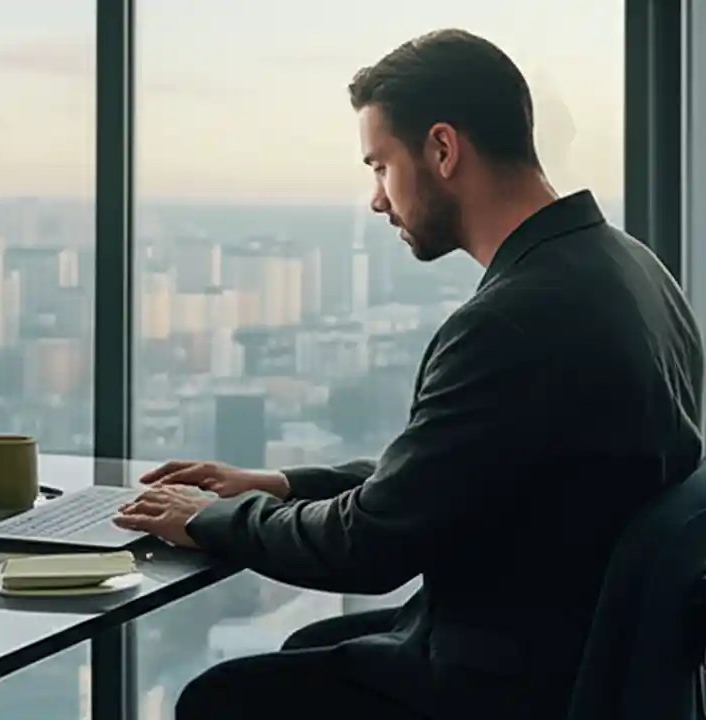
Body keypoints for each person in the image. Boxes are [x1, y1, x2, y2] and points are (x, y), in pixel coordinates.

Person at [114, 28, 703, 720]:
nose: (376, 198)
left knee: (221, 700)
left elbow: (367, 549)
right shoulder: (631, 268)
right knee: (307, 647)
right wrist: (277, 486)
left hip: (501, 686)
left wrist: (214, 518)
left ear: (443, 149)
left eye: (380, 165)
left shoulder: (511, 324)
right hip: (570, 655)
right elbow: (459, 472)